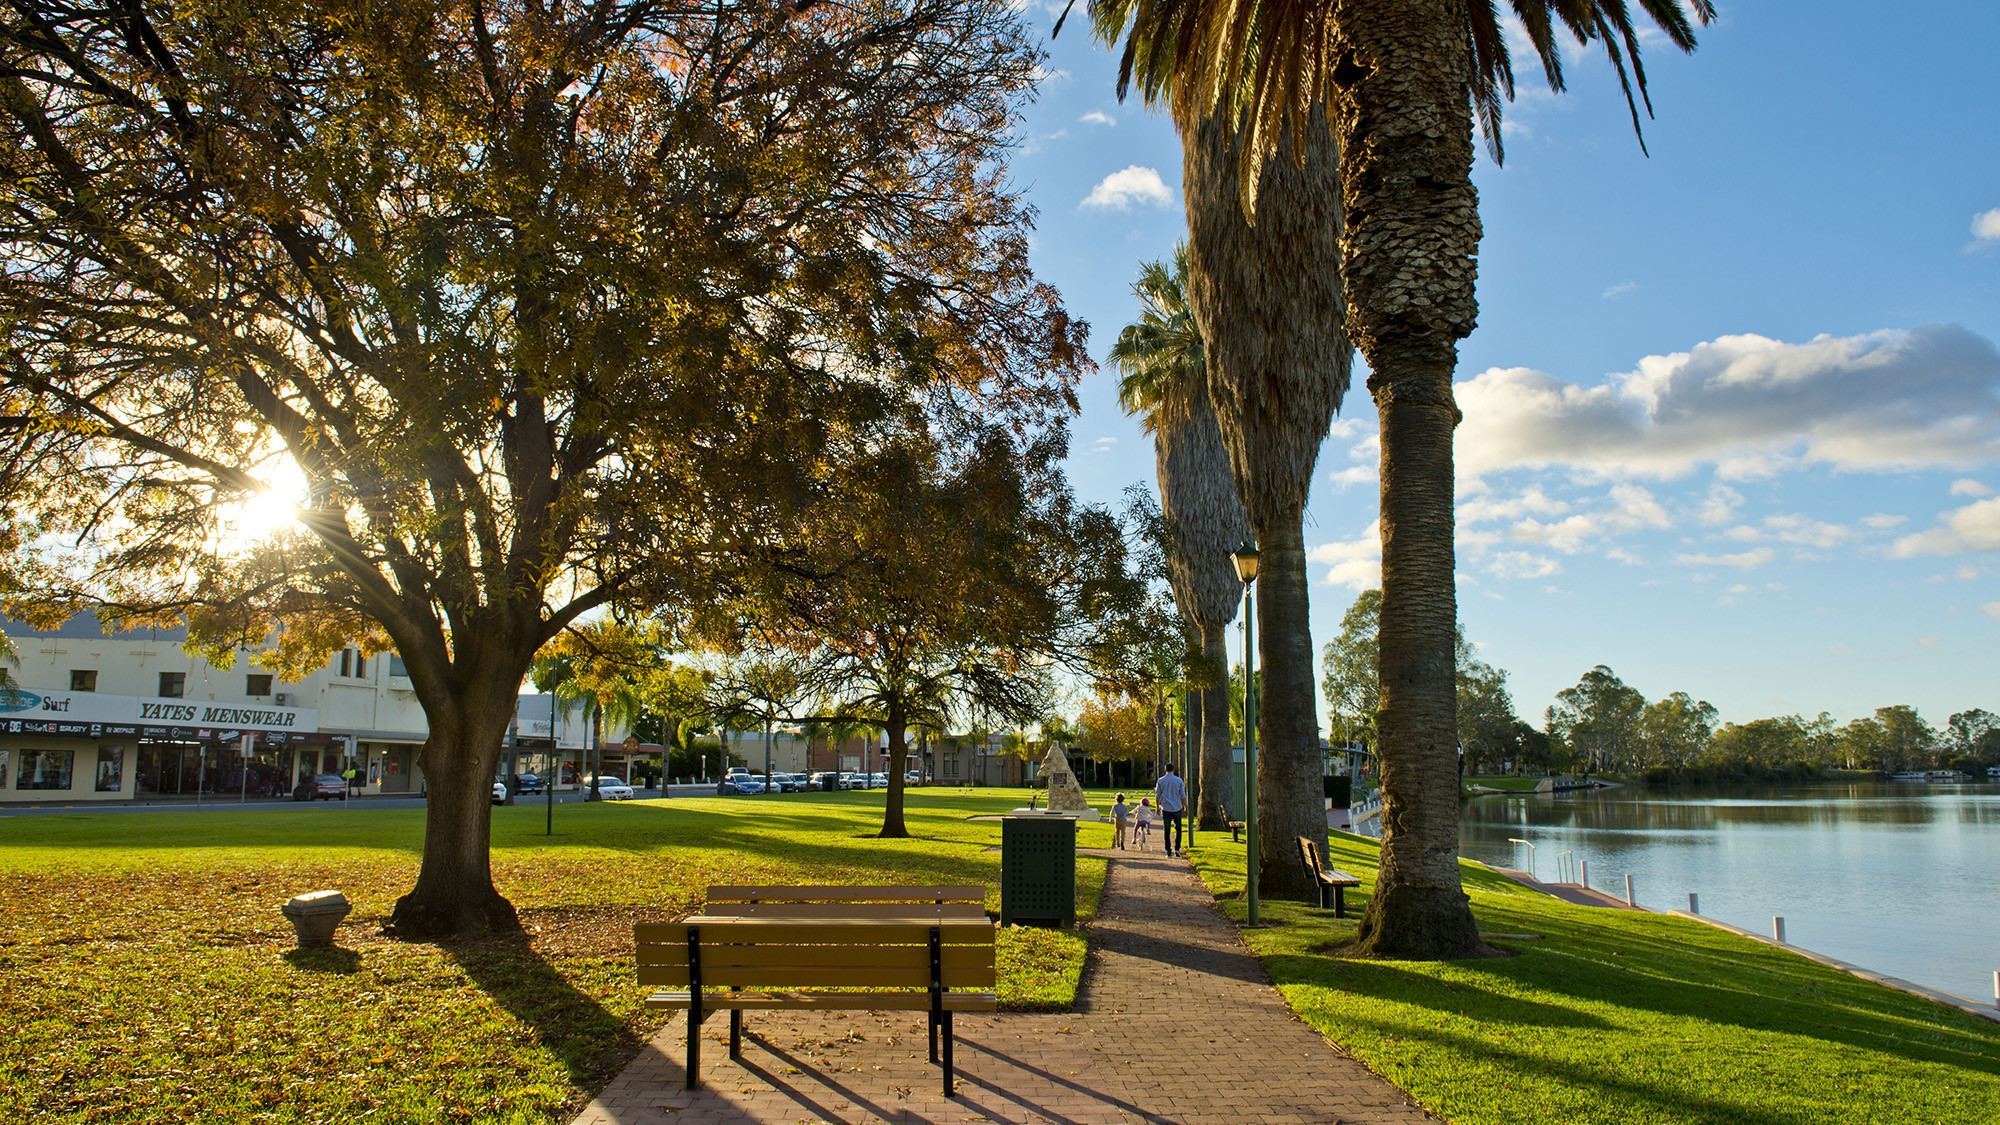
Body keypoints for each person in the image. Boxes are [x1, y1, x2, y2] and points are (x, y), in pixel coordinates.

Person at [1154, 763, 1187, 857]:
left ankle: (1168, 850)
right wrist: (1186, 807)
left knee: (1167, 829)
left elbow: (1157, 795)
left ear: (1165, 770)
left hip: (1166, 808)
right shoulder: (1179, 780)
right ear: (1173, 770)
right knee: (1178, 829)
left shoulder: (1161, 781)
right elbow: (1183, 795)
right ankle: (1177, 848)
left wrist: (1157, 807)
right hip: (1177, 807)